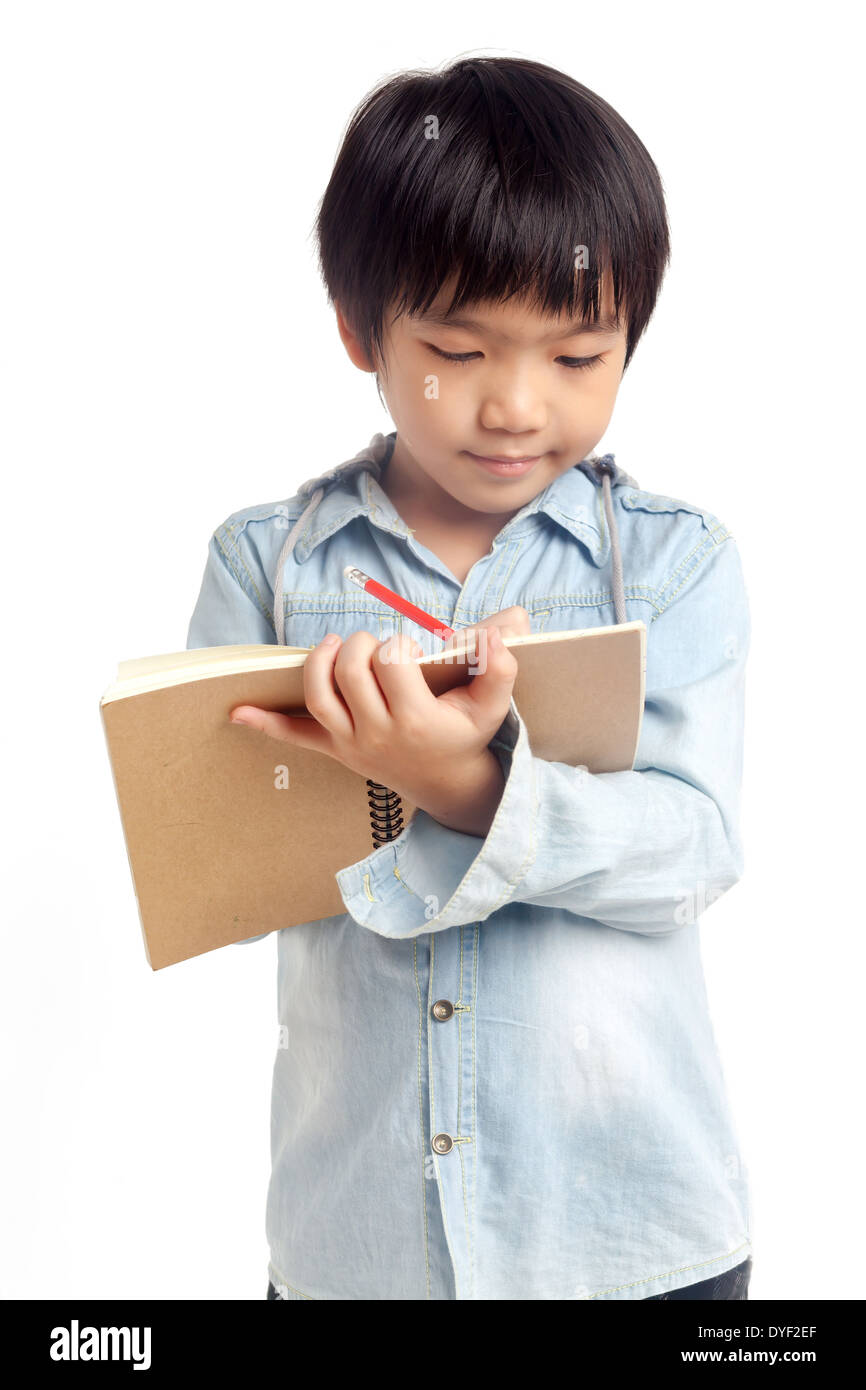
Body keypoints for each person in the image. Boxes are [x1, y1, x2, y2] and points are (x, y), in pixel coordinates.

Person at [186, 55, 753, 1301]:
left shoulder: (669, 565)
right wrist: (325, 779)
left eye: (577, 356)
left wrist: (469, 788)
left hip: (628, 1236)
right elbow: (213, 865)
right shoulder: (267, 565)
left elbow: (694, 851)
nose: (514, 406)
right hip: (361, 1243)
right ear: (359, 331)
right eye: (457, 349)